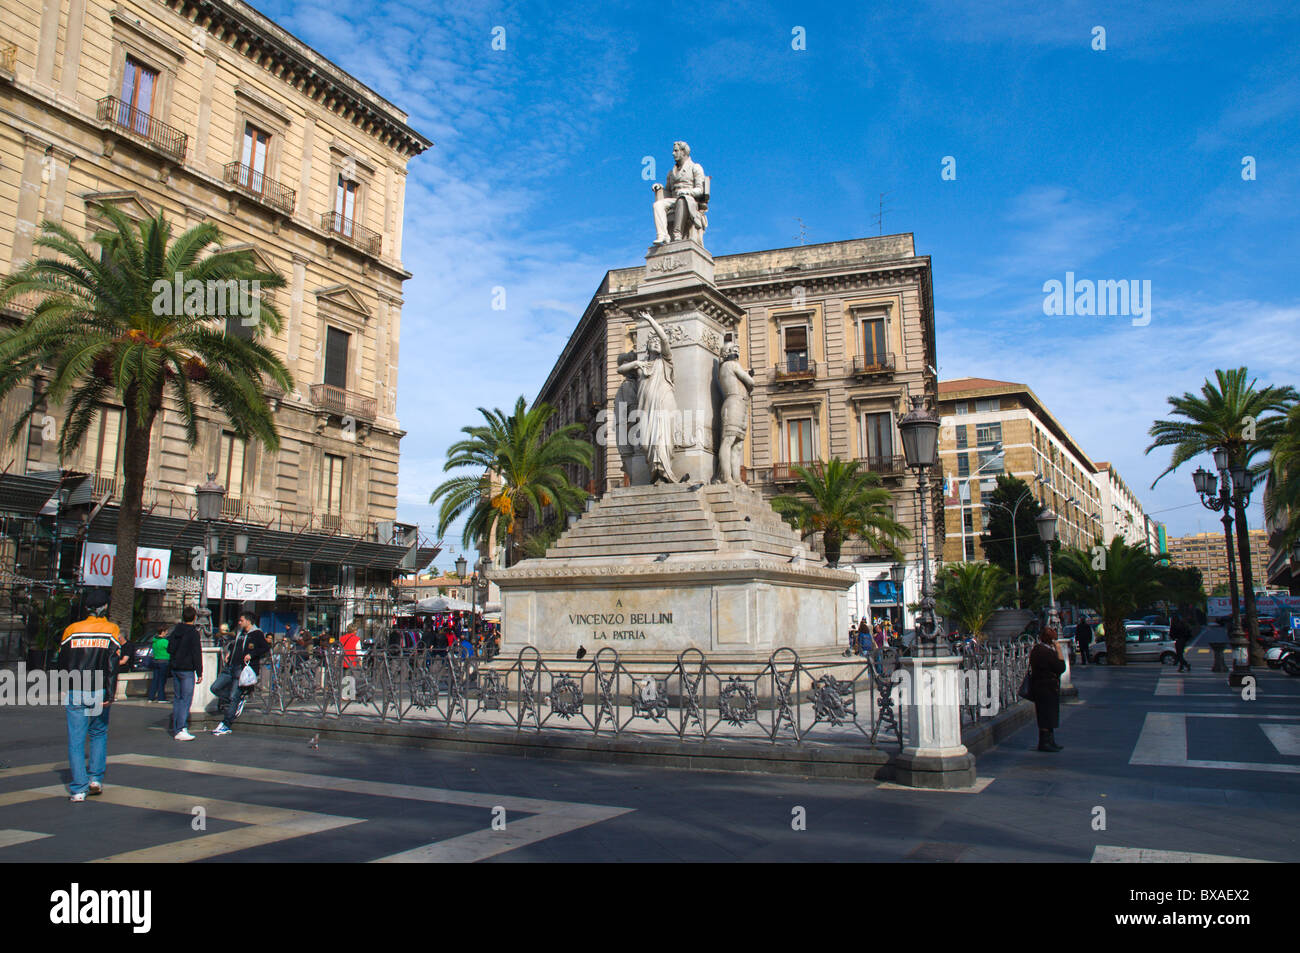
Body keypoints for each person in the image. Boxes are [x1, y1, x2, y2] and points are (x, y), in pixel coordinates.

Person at [58, 595, 127, 801]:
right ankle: (95, 778)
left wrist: (63, 686)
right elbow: (112, 665)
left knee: (76, 739)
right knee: (98, 733)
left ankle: (79, 788)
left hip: (75, 688)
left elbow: (62, 661)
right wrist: (110, 692)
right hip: (99, 690)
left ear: (86, 607)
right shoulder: (111, 630)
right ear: (105, 607)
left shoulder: (71, 630)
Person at [210, 611, 268, 736]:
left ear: (248, 621)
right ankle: (236, 700)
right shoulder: (240, 632)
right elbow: (234, 645)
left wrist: (251, 655)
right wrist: (229, 653)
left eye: (241, 620)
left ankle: (226, 724)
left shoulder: (257, 634)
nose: (239, 622)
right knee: (215, 687)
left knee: (233, 696)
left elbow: (265, 648)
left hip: (242, 668)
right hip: (231, 666)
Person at [167, 606, 204, 741]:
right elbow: (196, 653)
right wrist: (199, 671)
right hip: (187, 669)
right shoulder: (193, 633)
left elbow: (170, 648)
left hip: (175, 667)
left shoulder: (176, 630)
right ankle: (181, 728)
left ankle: (176, 726)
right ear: (194, 618)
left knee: (177, 699)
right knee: (186, 699)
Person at [1029, 626, 1067, 753]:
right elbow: (1061, 667)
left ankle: (1049, 741)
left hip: (1040, 686)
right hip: (1047, 687)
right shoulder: (1046, 652)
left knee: (1045, 714)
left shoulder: (1037, 650)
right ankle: (1045, 742)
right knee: (1047, 714)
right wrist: (1059, 650)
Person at [147, 625, 171, 701]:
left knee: (155, 680)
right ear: (163, 632)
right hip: (164, 661)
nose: (167, 633)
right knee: (162, 681)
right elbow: (170, 649)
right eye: (166, 631)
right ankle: (161, 698)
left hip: (156, 661)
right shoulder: (164, 641)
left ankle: (151, 697)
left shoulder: (155, 641)